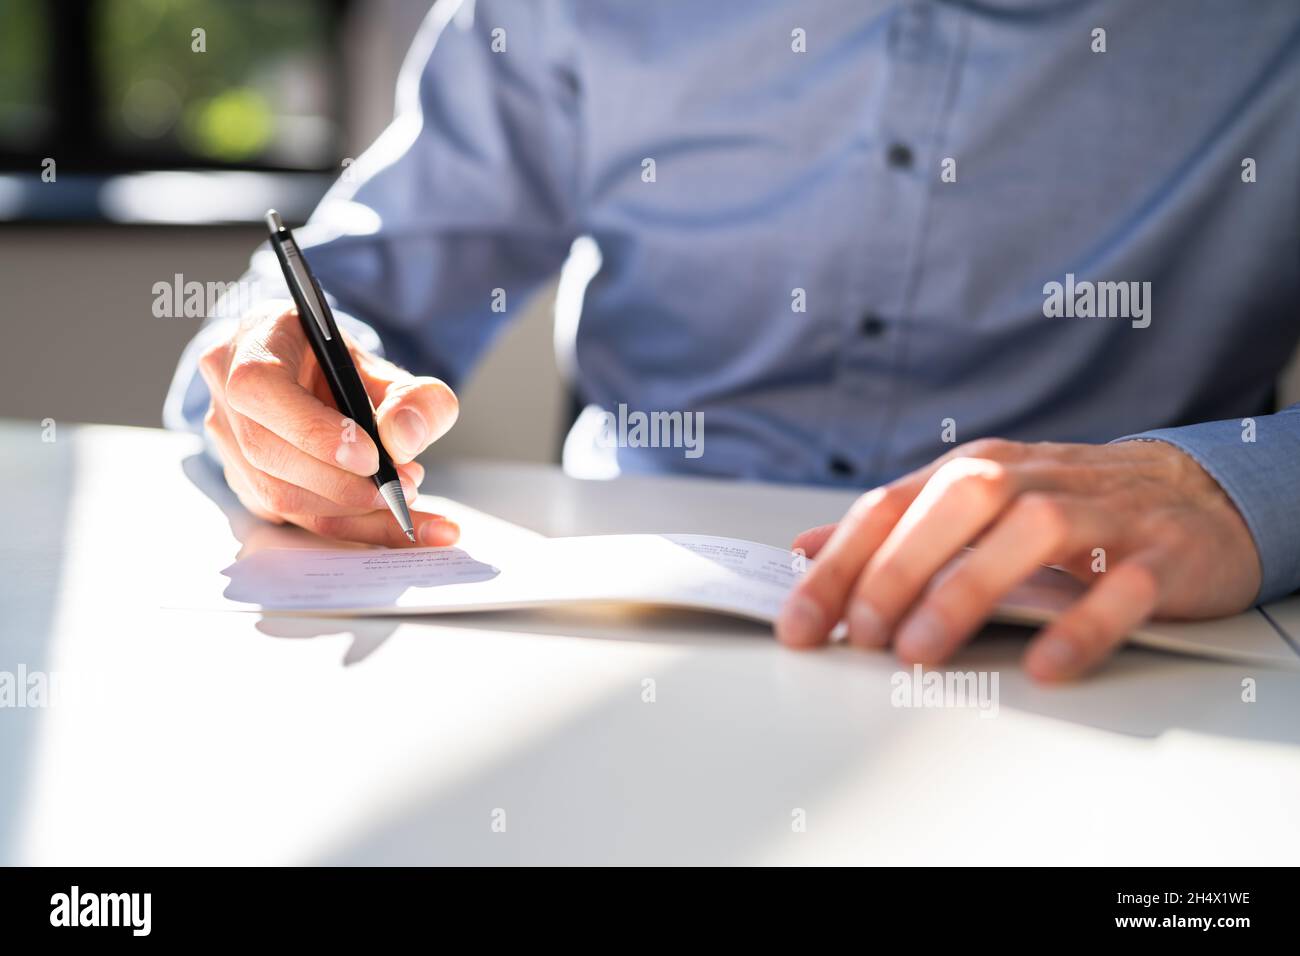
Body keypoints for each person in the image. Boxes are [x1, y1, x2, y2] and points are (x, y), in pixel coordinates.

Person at [166, 0, 1300, 681]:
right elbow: (353, 284)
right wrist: (288, 392)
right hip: (598, 645)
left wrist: (1238, 489)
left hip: (1113, 655)